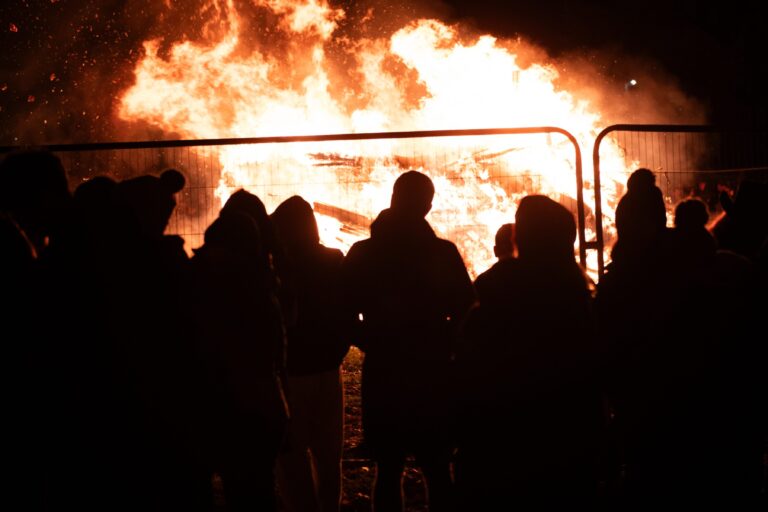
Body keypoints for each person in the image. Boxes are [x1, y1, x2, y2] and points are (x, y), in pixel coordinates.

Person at [340, 171, 475, 512]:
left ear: (393, 199)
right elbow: (466, 308)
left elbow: (342, 309)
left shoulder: (364, 252)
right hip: (432, 371)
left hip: (385, 372)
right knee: (437, 468)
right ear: (428, 206)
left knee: (387, 469)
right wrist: (447, 343)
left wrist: (369, 339)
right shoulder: (442, 253)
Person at [271, 196, 350, 512]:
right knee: (329, 452)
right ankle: (329, 505)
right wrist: (339, 349)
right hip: (328, 368)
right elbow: (346, 311)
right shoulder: (333, 260)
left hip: (292, 373)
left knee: (292, 457)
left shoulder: (278, 266)